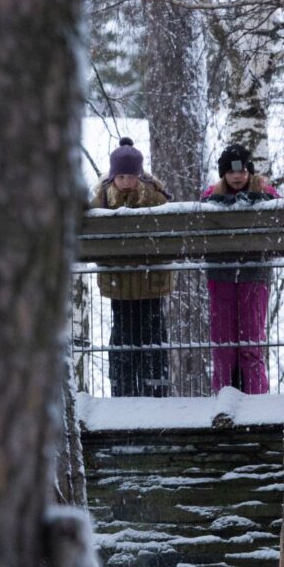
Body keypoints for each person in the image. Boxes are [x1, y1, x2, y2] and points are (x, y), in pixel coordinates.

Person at [90, 137, 175, 397]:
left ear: (140, 175)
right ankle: (123, 393)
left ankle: (156, 394)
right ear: (114, 175)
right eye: (122, 176)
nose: (127, 182)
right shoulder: (102, 199)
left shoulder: (156, 198)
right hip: (121, 286)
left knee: (152, 337)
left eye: (132, 176)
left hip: (150, 284)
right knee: (124, 338)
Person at [200, 144, 280, 394]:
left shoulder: (266, 194)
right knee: (224, 345)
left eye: (243, 171)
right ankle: (223, 397)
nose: (238, 176)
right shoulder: (210, 197)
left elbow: (278, 216)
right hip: (221, 275)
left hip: (254, 274)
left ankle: (256, 398)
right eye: (232, 171)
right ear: (224, 173)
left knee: (251, 342)